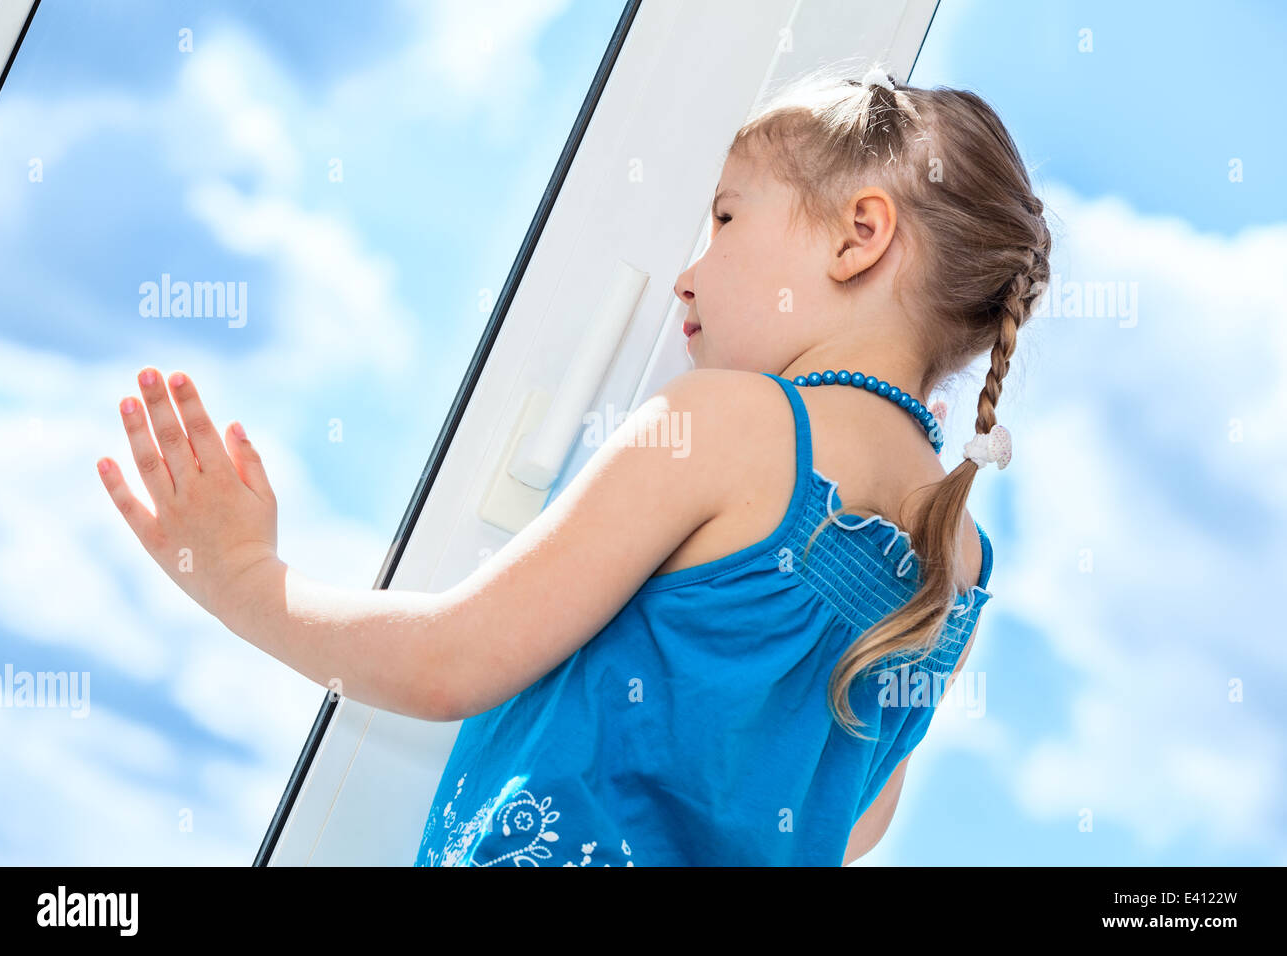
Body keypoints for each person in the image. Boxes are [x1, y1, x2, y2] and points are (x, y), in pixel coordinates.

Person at [96, 62, 1051, 867]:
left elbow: (447, 664)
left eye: (724, 218)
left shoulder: (728, 424)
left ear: (860, 236)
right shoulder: (959, 558)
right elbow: (855, 827)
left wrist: (244, 580)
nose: (689, 269)